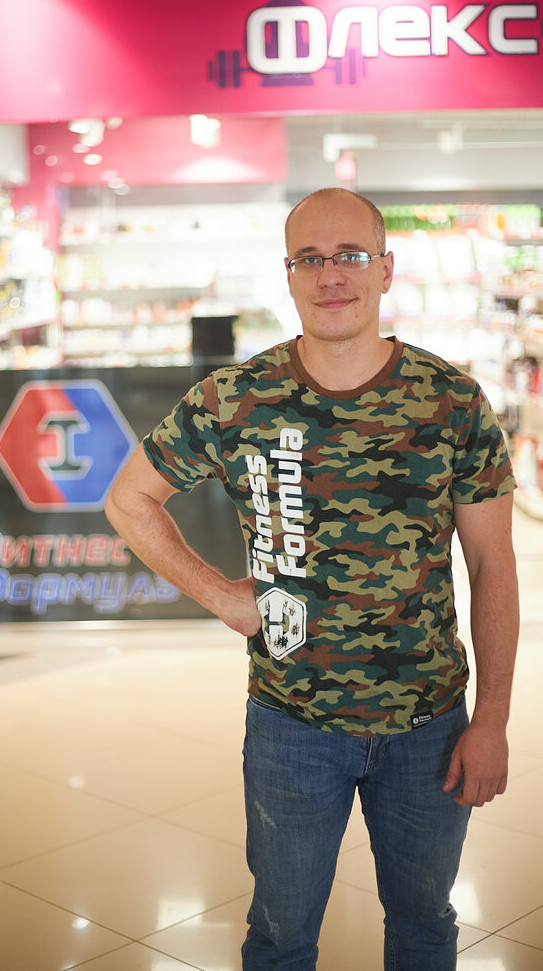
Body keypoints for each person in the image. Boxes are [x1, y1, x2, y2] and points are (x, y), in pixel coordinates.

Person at [105, 187, 519, 971]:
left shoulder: (452, 402)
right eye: (309, 259)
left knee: (424, 927)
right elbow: (128, 500)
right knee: (280, 936)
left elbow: (492, 565)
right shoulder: (234, 398)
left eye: (350, 255)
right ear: (288, 275)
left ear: (385, 269)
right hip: (290, 724)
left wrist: (491, 720)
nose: (331, 275)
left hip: (428, 724)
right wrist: (220, 596)